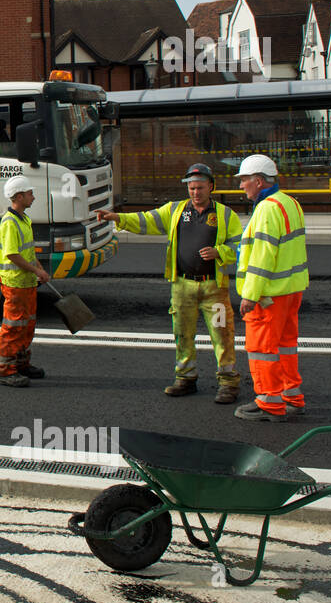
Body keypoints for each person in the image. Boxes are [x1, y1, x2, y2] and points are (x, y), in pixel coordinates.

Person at [96, 163, 244, 403]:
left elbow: (241, 247)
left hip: (214, 289)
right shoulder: (175, 210)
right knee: (182, 334)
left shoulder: (226, 215)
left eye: (200, 188)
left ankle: (228, 383)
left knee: (222, 335)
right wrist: (117, 218)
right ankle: (185, 378)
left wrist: (220, 252)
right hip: (182, 286)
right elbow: (146, 220)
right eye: (191, 188)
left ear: (211, 187)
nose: (195, 192)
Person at [233, 154, 308, 422]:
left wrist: (249, 296)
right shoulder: (290, 203)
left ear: (259, 181)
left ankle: (269, 403)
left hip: (269, 295)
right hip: (291, 290)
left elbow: (261, 258)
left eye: (244, 180)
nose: (241, 185)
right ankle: (291, 397)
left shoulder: (266, 209)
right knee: (286, 345)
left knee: (261, 348)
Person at [0, 175, 50, 387]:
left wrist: (38, 267)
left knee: (27, 324)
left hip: (26, 282)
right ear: (19, 196)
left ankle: (21, 364)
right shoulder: (9, 222)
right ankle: (5, 371)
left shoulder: (23, 218)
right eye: (30, 194)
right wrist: (36, 270)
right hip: (15, 282)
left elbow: (26, 249)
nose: (33, 197)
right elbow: (12, 255)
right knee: (13, 327)